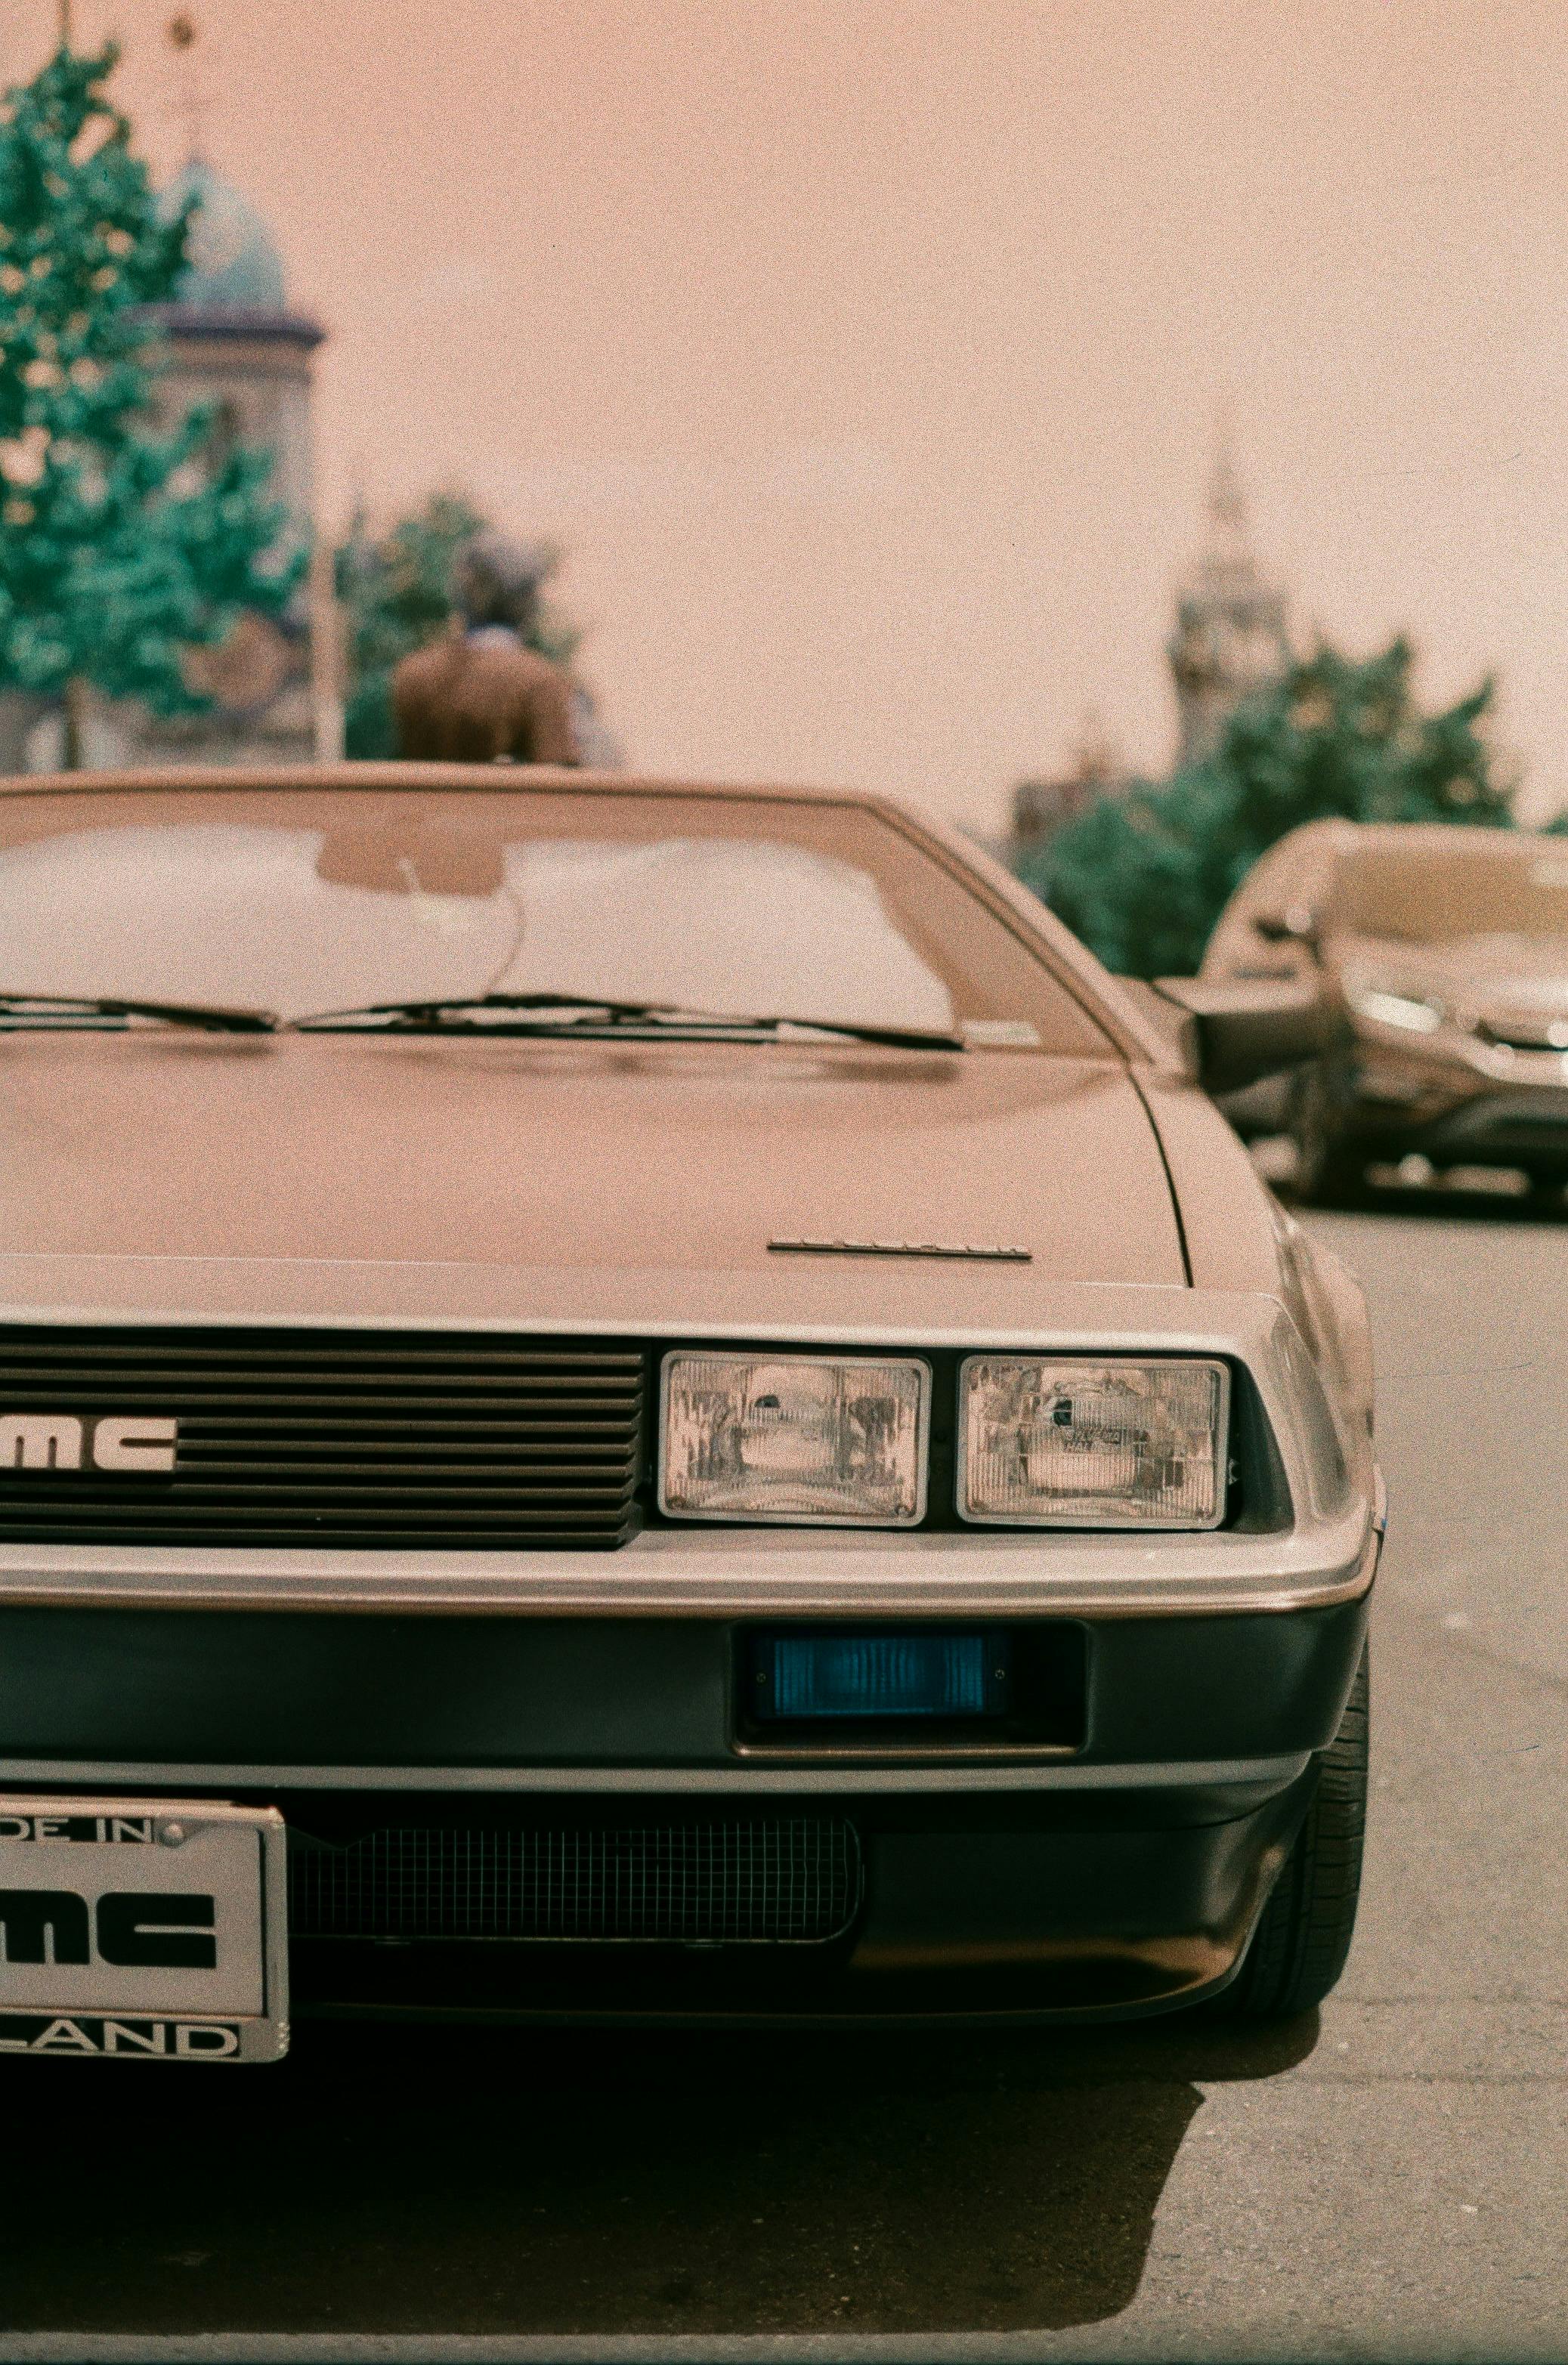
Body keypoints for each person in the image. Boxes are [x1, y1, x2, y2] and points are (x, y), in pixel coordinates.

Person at [392, 534, 581, 765]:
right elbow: (559, 782)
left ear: (461, 595)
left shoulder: (413, 675)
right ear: (527, 601)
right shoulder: (540, 682)